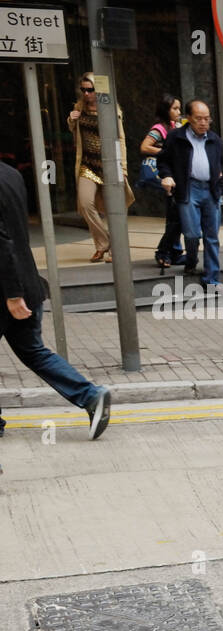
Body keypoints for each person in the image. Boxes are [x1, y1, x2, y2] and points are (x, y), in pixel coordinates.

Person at [0, 159, 111, 441]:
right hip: (27, 281)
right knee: (33, 351)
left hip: (8, 290)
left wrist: (13, 294)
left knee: (33, 350)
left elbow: (2, 242)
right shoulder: (11, 174)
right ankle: (91, 396)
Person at [157, 100, 223, 286]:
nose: (203, 123)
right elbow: (163, 161)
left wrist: (222, 176)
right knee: (192, 233)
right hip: (188, 188)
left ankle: (211, 279)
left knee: (212, 236)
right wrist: (167, 176)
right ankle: (191, 259)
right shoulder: (175, 137)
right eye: (198, 119)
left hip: (211, 189)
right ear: (188, 118)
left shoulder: (215, 139)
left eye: (207, 119)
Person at [67, 72, 131, 263]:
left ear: (99, 90)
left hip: (109, 164)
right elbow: (74, 132)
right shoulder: (79, 108)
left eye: (91, 90)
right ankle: (103, 243)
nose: (87, 94)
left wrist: (123, 168)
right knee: (85, 204)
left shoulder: (111, 111)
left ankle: (114, 249)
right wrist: (71, 120)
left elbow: (121, 140)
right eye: (84, 90)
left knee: (114, 208)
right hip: (87, 164)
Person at [141, 94, 184, 268]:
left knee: (177, 216)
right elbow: (144, 147)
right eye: (175, 108)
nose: (178, 112)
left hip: (179, 176)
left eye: (179, 108)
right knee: (175, 216)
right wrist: (166, 153)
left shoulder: (177, 125)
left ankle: (173, 251)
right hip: (169, 177)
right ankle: (164, 251)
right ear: (166, 110)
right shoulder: (159, 129)